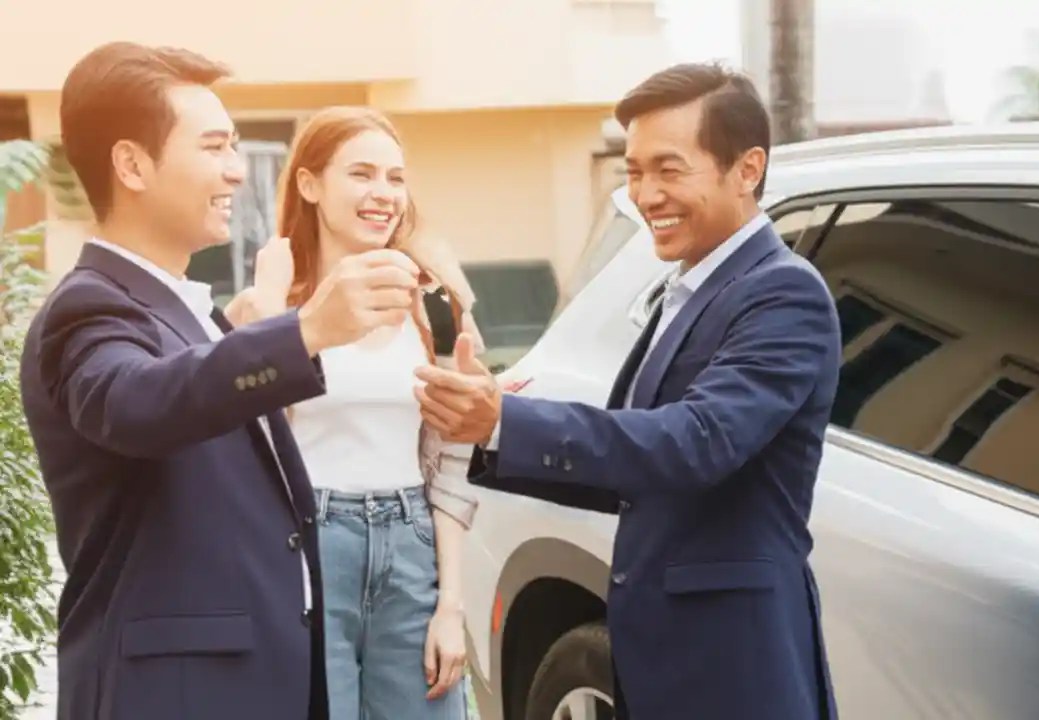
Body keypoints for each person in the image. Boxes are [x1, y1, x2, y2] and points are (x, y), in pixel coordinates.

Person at [416, 63, 842, 720]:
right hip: (665, 657)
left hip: (734, 662)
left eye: (669, 170)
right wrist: (490, 435)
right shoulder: (687, 287)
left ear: (747, 169)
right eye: (634, 172)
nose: (645, 195)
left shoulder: (785, 293)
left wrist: (506, 422)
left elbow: (696, 443)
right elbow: (633, 464)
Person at [19, 43, 420, 720]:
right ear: (132, 164)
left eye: (234, 147)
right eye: (214, 147)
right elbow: (140, 402)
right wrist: (303, 332)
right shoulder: (88, 307)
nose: (237, 172)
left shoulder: (190, 308)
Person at [225, 106, 476, 719]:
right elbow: (247, 458)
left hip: (412, 545)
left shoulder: (436, 304)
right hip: (307, 546)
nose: (383, 194)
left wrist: (452, 606)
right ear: (309, 185)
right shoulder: (264, 309)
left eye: (395, 177)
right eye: (362, 174)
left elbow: (452, 458)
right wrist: (271, 315)